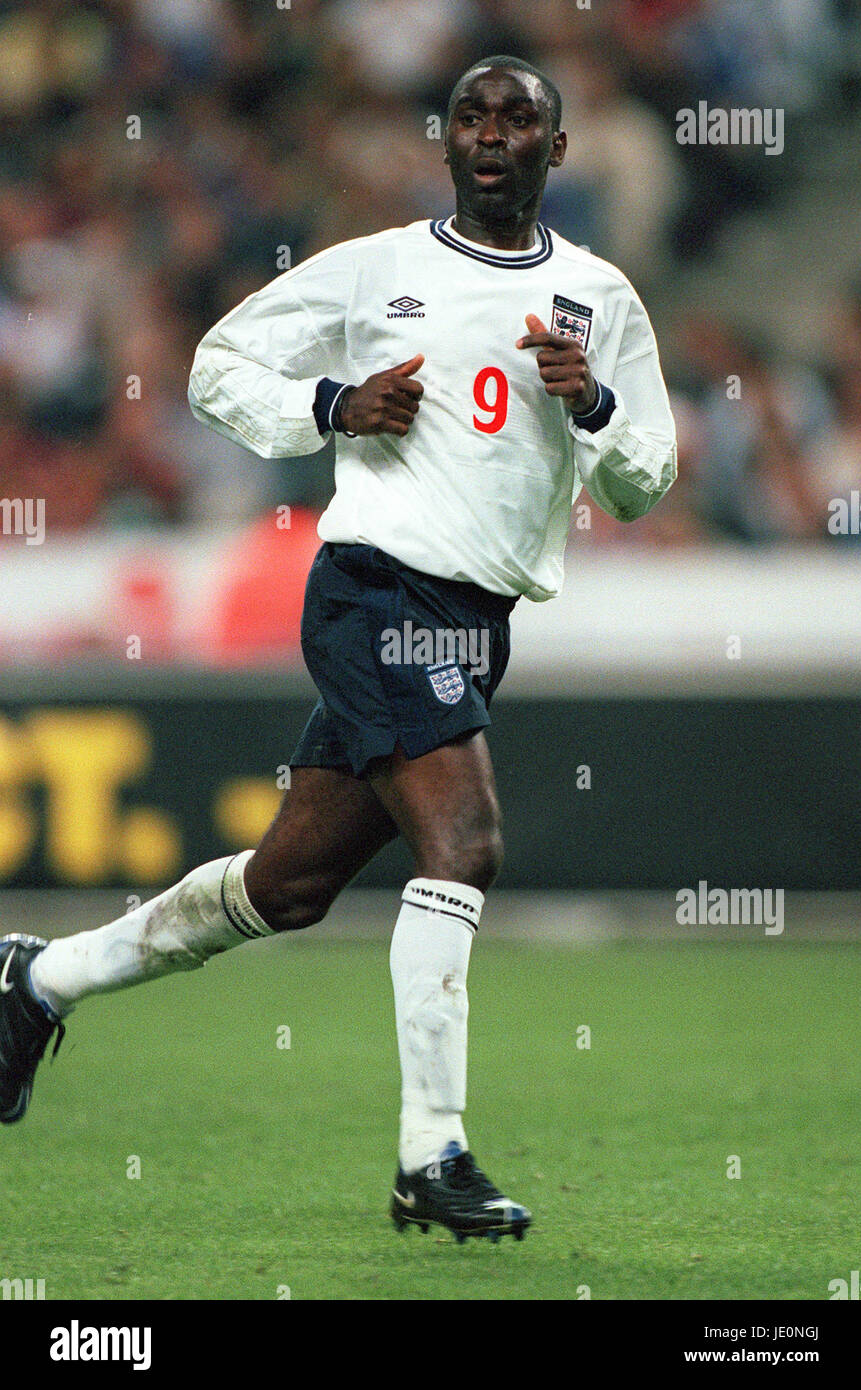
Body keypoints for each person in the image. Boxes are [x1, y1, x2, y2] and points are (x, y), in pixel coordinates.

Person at [1, 57, 677, 1243]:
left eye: (518, 118)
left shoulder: (598, 299)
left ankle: (35, 980)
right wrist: (328, 406)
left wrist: (596, 410)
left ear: (554, 152)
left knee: (288, 885)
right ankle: (434, 1153)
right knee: (462, 846)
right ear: (447, 139)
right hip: (371, 591)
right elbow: (219, 365)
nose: (490, 134)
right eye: (470, 114)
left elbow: (642, 481)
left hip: (476, 622)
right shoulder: (379, 269)